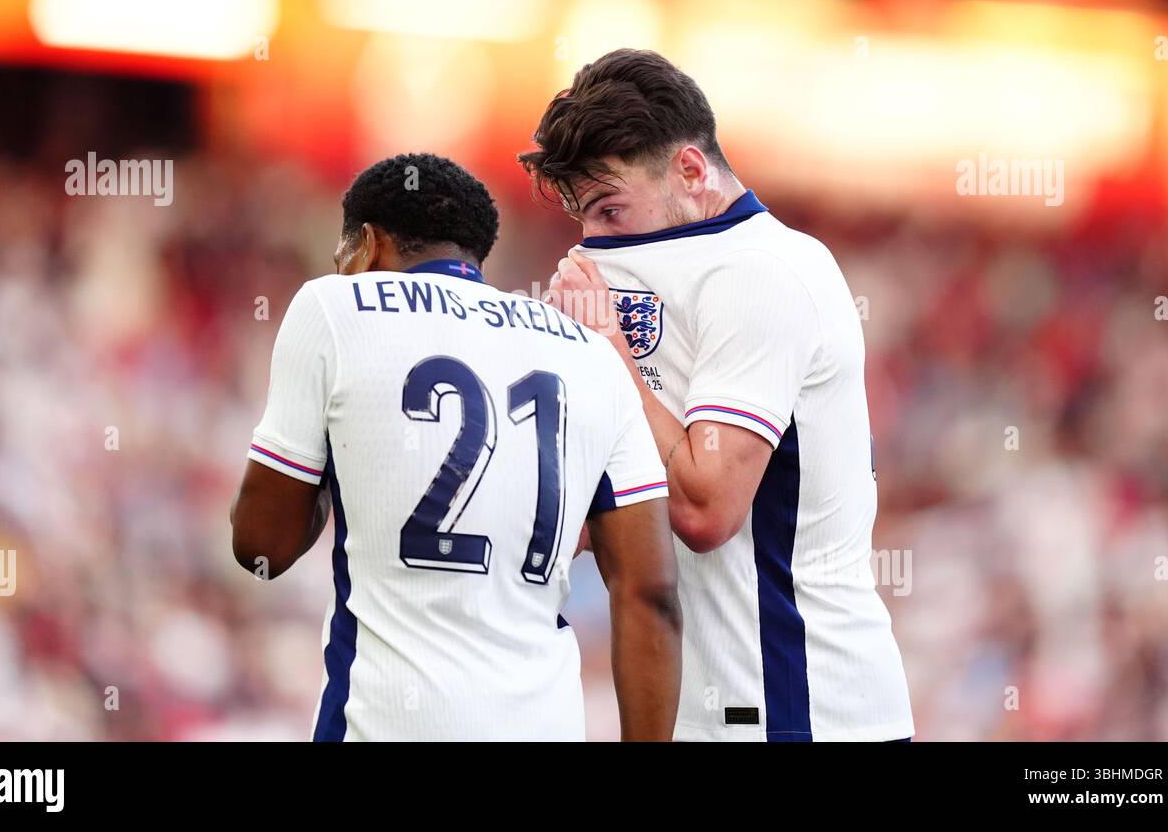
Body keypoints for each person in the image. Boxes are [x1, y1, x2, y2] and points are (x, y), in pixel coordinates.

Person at [522, 50, 914, 742]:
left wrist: (609, 354)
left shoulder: (762, 271)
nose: (597, 242)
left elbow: (705, 509)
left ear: (692, 172)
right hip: (720, 710)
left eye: (612, 209)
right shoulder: (676, 278)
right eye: (586, 219)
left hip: (800, 710)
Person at [230, 152, 682, 741]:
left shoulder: (332, 307)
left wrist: (332, 458)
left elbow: (261, 546)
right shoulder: (590, 354)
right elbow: (652, 594)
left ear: (366, 244)